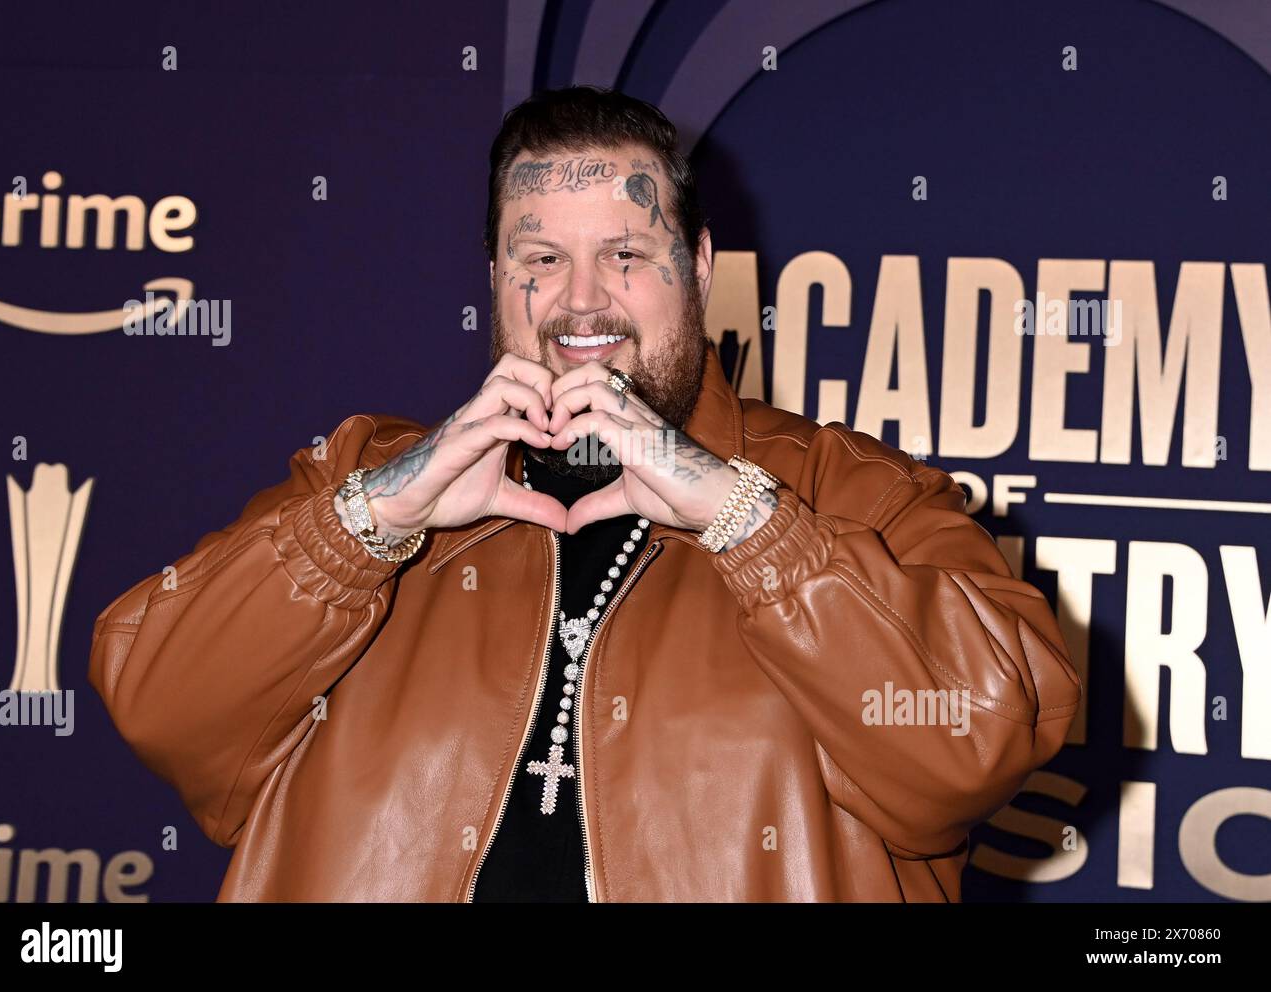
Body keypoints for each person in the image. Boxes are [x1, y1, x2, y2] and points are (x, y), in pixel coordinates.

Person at [89, 85, 1080, 902]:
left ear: (696, 271)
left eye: (625, 255)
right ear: (493, 276)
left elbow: (976, 743)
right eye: (541, 259)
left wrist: (749, 525)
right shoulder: (368, 475)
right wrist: (372, 524)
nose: (582, 300)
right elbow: (158, 700)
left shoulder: (855, 491)